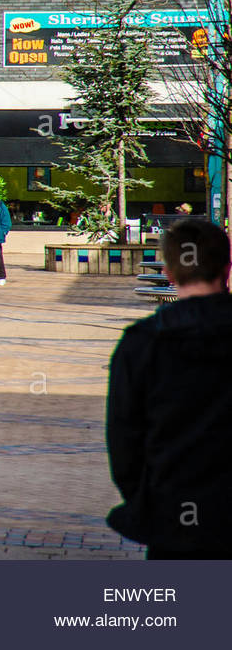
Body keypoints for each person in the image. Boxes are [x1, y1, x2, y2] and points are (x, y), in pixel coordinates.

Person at [106, 219, 232, 559]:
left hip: (175, 517)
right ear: (227, 267)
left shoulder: (141, 343)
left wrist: (148, 499)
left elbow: (123, 442)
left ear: (169, 273)